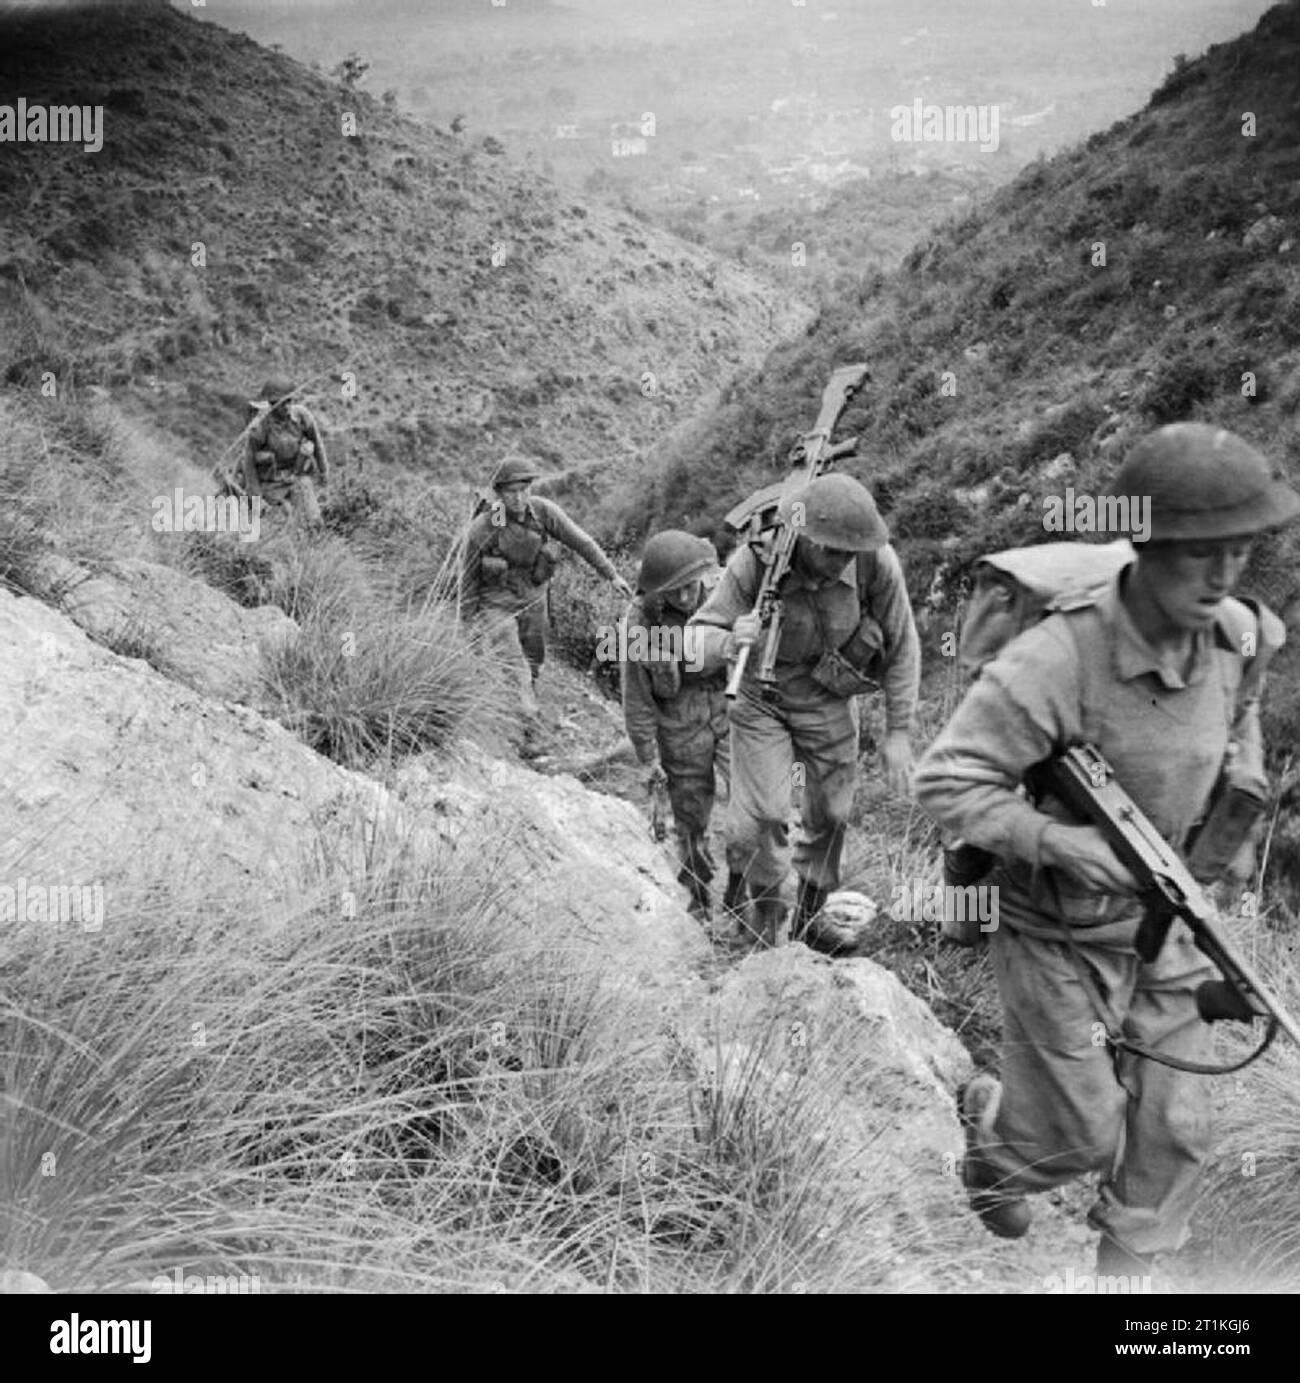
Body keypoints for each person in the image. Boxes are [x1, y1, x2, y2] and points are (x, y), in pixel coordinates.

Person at [913, 422, 1300, 1277]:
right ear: (1147, 545)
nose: (1225, 574)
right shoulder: (1060, 657)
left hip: (1171, 924)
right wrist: (1056, 839)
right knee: (1079, 1136)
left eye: (1240, 550)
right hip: (1057, 930)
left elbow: (1238, 726)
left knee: (1173, 1132)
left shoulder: (1239, 634)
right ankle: (995, 1135)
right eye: (1201, 552)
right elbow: (947, 781)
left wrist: (1232, 812)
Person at [688, 471, 920, 949]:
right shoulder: (755, 561)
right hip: (760, 700)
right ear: (806, 537)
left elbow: (902, 646)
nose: (842, 563)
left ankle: (812, 920)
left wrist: (899, 732)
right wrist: (731, 639)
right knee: (763, 818)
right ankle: (763, 919)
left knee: (831, 816)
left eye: (850, 554)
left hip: (829, 699)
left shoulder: (877, 564)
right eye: (832, 551)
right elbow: (695, 637)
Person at [460, 454, 632, 748]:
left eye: (524, 489)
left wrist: (612, 575)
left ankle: (522, 716)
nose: (518, 497)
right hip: (496, 605)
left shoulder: (543, 513)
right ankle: (529, 728)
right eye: (511, 491)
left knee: (533, 661)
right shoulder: (483, 527)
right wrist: (466, 626)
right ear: (499, 493)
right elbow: (468, 580)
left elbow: (581, 542)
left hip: (533, 600)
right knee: (515, 666)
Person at [620, 530, 729, 920]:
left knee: (755, 804)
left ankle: (746, 896)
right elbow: (636, 696)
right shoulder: (639, 623)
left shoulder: (726, 592)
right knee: (691, 816)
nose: (685, 597)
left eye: (690, 586)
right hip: (680, 723)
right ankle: (699, 899)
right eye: (674, 591)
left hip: (731, 708)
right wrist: (647, 757)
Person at [241, 377, 329, 528]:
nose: (286, 406)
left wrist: (324, 471)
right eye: (281, 403)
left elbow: (317, 443)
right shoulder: (260, 428)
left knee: (314, 521)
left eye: (289, 401)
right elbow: (248, 465)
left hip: (296, 478)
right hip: (270, 484)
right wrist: (257, 499)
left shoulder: (302, 416)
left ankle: (314, 536)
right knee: (284, 522)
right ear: (271, 404)